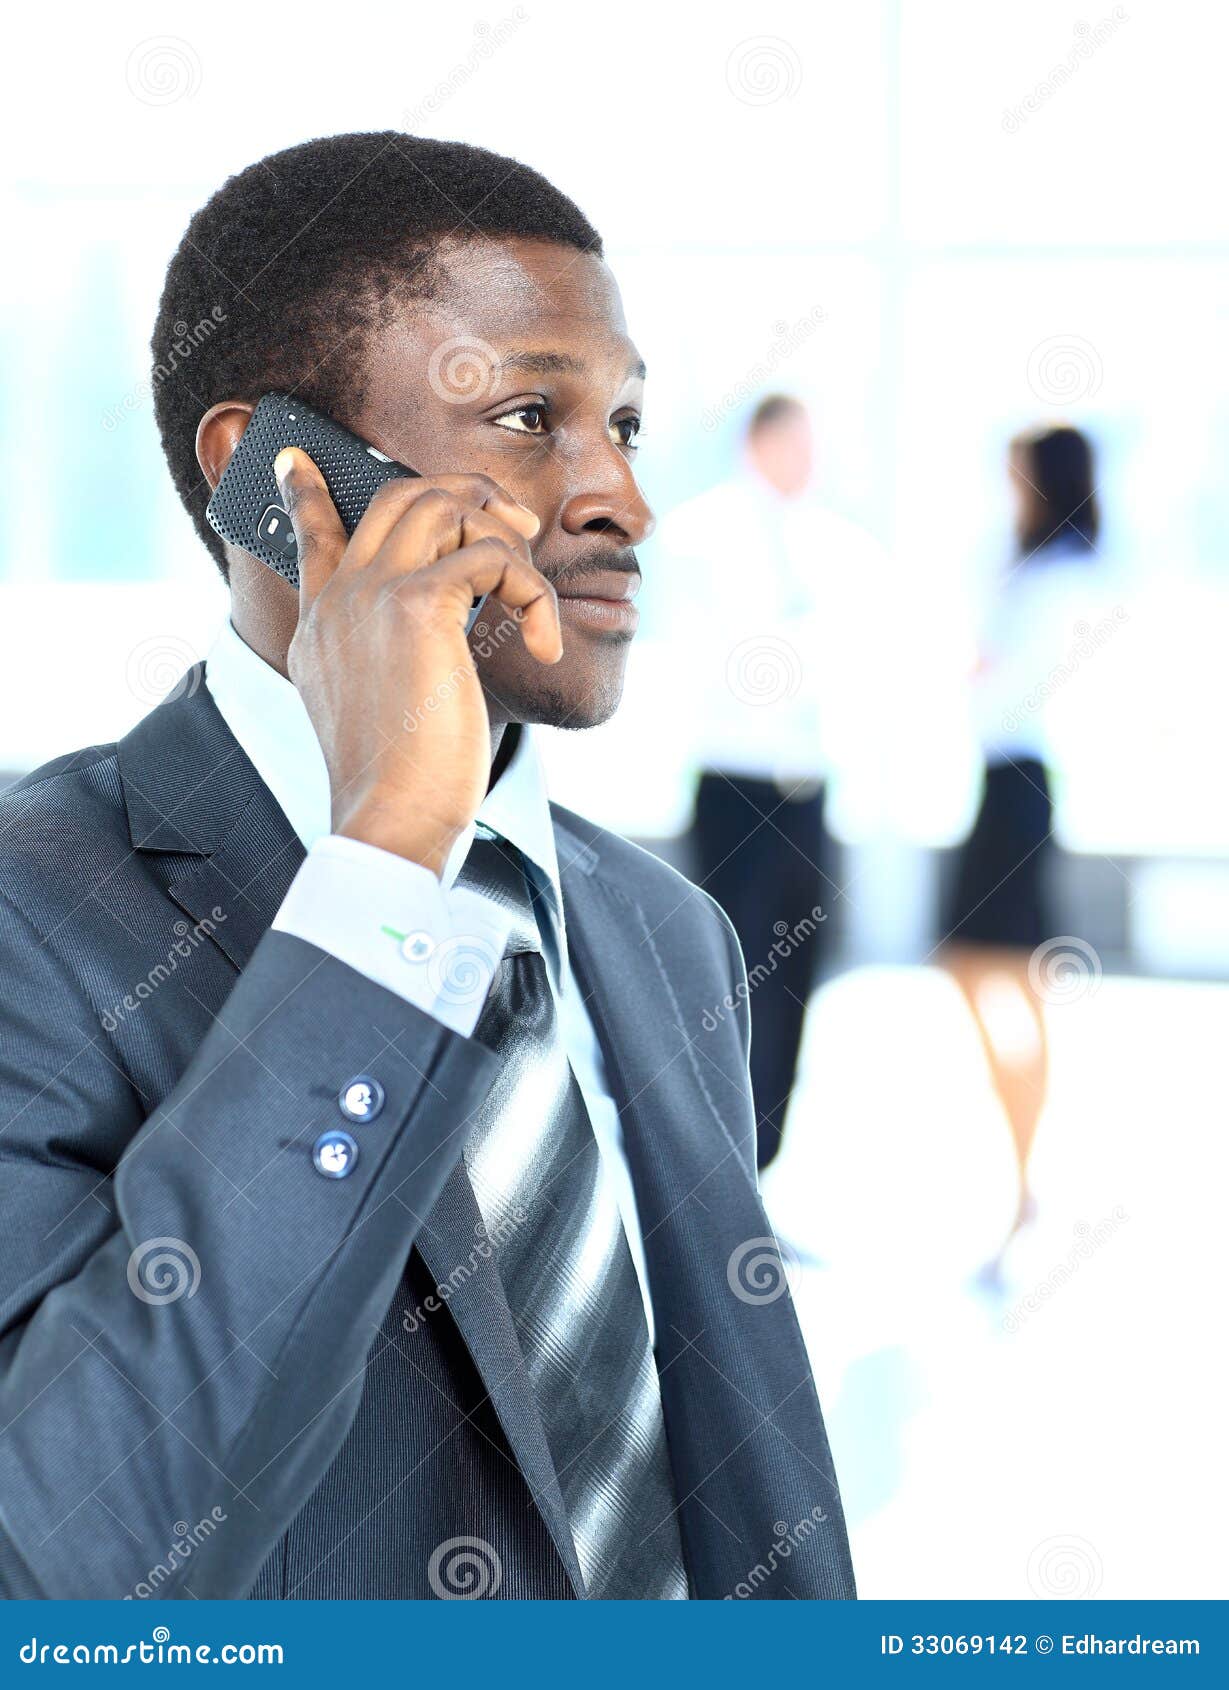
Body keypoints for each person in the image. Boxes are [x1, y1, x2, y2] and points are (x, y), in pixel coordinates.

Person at [0, 134, 854, 1601]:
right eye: (531, 414)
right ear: (277, 479)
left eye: (628, 427)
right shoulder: (39, 912)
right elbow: (72, 1565)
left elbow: (749, 1502)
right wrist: (384, 854)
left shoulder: (662, 928)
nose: (621, 506)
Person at [656, 396, 872, 1171]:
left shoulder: (830, 542)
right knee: (734, 978)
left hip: (808, 791)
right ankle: (717, 1166)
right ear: (757, 443)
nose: (808, 460)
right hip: (737, 790)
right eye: (795, 443)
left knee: (798, 978)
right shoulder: (705, 537)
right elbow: (742, 667)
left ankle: (764, 1167)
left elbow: (860, 657)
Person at [938, 424, 1102, 1270]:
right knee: (975, 965)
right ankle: (1024, 1170)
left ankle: (1027, 1174)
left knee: (1000, 968)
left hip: (1019, 787)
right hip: (999, 783)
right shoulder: (1024, 566)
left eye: (1014, 474)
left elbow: (1001, 684)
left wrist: (976, 669)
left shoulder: (1061, 576)